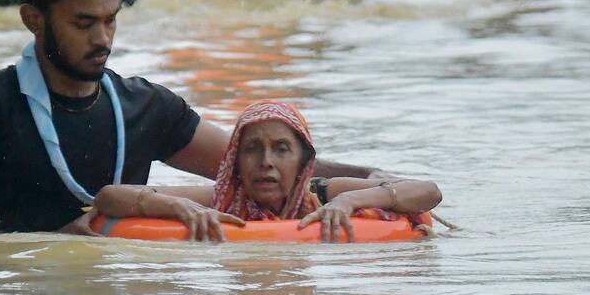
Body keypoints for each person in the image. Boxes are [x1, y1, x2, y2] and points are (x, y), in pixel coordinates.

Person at [0, 0, 378, 235]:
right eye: (83, 24)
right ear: (33, 20)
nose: (102, 39)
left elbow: (262, 165)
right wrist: (52, 243)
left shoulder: (146, 106)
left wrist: (373, 179)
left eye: (111, 19)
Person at [87, 99, 441, 242]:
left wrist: (350, 201)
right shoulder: (221, 201)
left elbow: (428, 192)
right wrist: (178, 206)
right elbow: (109, 198)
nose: (266, 161)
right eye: (252, 149)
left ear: (303, 163)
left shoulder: (322, 194)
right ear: (235, 164)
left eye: (281, 149)